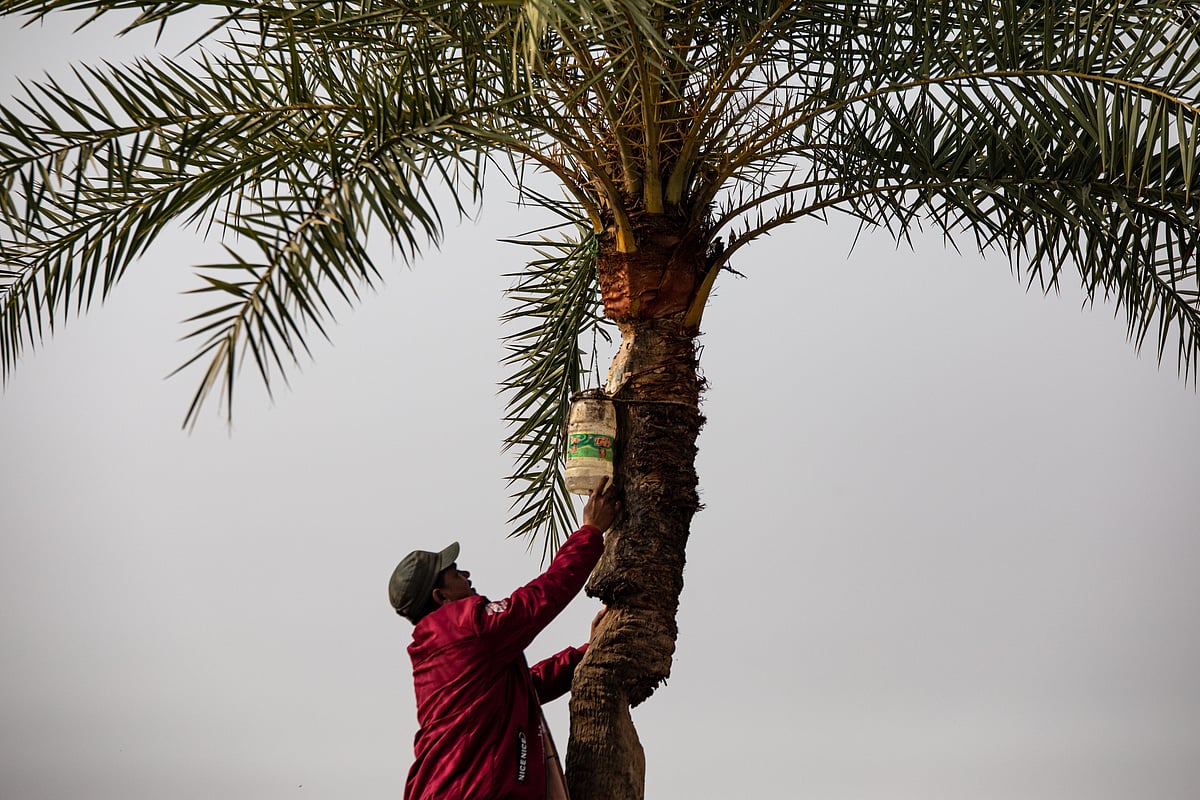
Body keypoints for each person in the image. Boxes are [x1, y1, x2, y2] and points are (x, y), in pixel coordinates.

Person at [388, 477, 620, 800]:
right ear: (440, 596)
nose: (466, 575)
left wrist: (584, 654)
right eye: (455, 572)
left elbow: (523, 687)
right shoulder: (466, 627)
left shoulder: (435, 650)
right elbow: (542, 596)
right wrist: (591, 532)